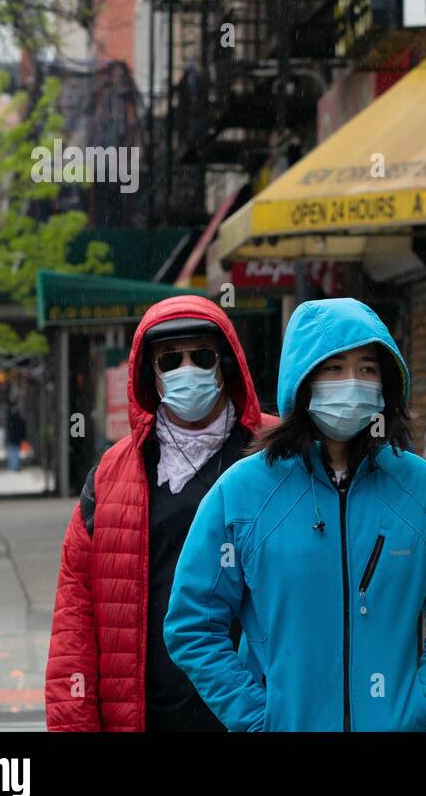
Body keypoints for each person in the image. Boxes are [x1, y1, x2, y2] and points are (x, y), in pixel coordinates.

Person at [164, 297, 426, 732]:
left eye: (367, 369)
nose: (351, 382)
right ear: (303, 380)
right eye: (333, 368)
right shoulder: (241, 494)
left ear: (386, 383)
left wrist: (425, 702)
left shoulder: (421, 489)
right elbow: (193, 626)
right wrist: (260, 719)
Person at [45, 296, 276, 732]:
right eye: (170, 359)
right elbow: (73, 627)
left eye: (201, 356)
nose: (186, 369)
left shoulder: (280, 455)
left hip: (258, 716)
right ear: (150, 373)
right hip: (147, 718)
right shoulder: (109, 479)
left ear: (224, 363)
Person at [5, 403, 27, 472]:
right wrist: (23, 438)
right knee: (15, 453)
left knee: (11, 453)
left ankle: (12, 466)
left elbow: (8, 428)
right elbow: (23, 430)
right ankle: (14, 466)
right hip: (17, 439)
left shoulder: (10, 420)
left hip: (11, 438)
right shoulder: (20, 420)